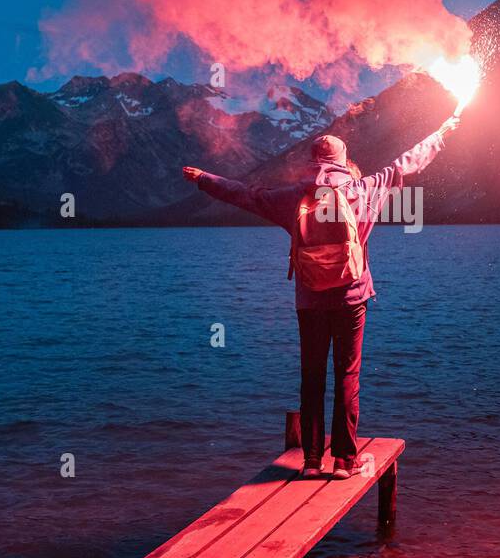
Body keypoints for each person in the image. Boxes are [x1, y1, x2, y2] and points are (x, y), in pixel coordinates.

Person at [182, 111, 461, 479]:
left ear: (314, 161)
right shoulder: (364, 189)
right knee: (347, 374)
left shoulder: (293, 198)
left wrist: (205, 179)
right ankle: (346, 460)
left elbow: (246, 195)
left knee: (311, 376)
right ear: (344, 162)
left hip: (310, 300)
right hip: (352, 297)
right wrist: (441, 133)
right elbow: (406, 163)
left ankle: (312, 461)